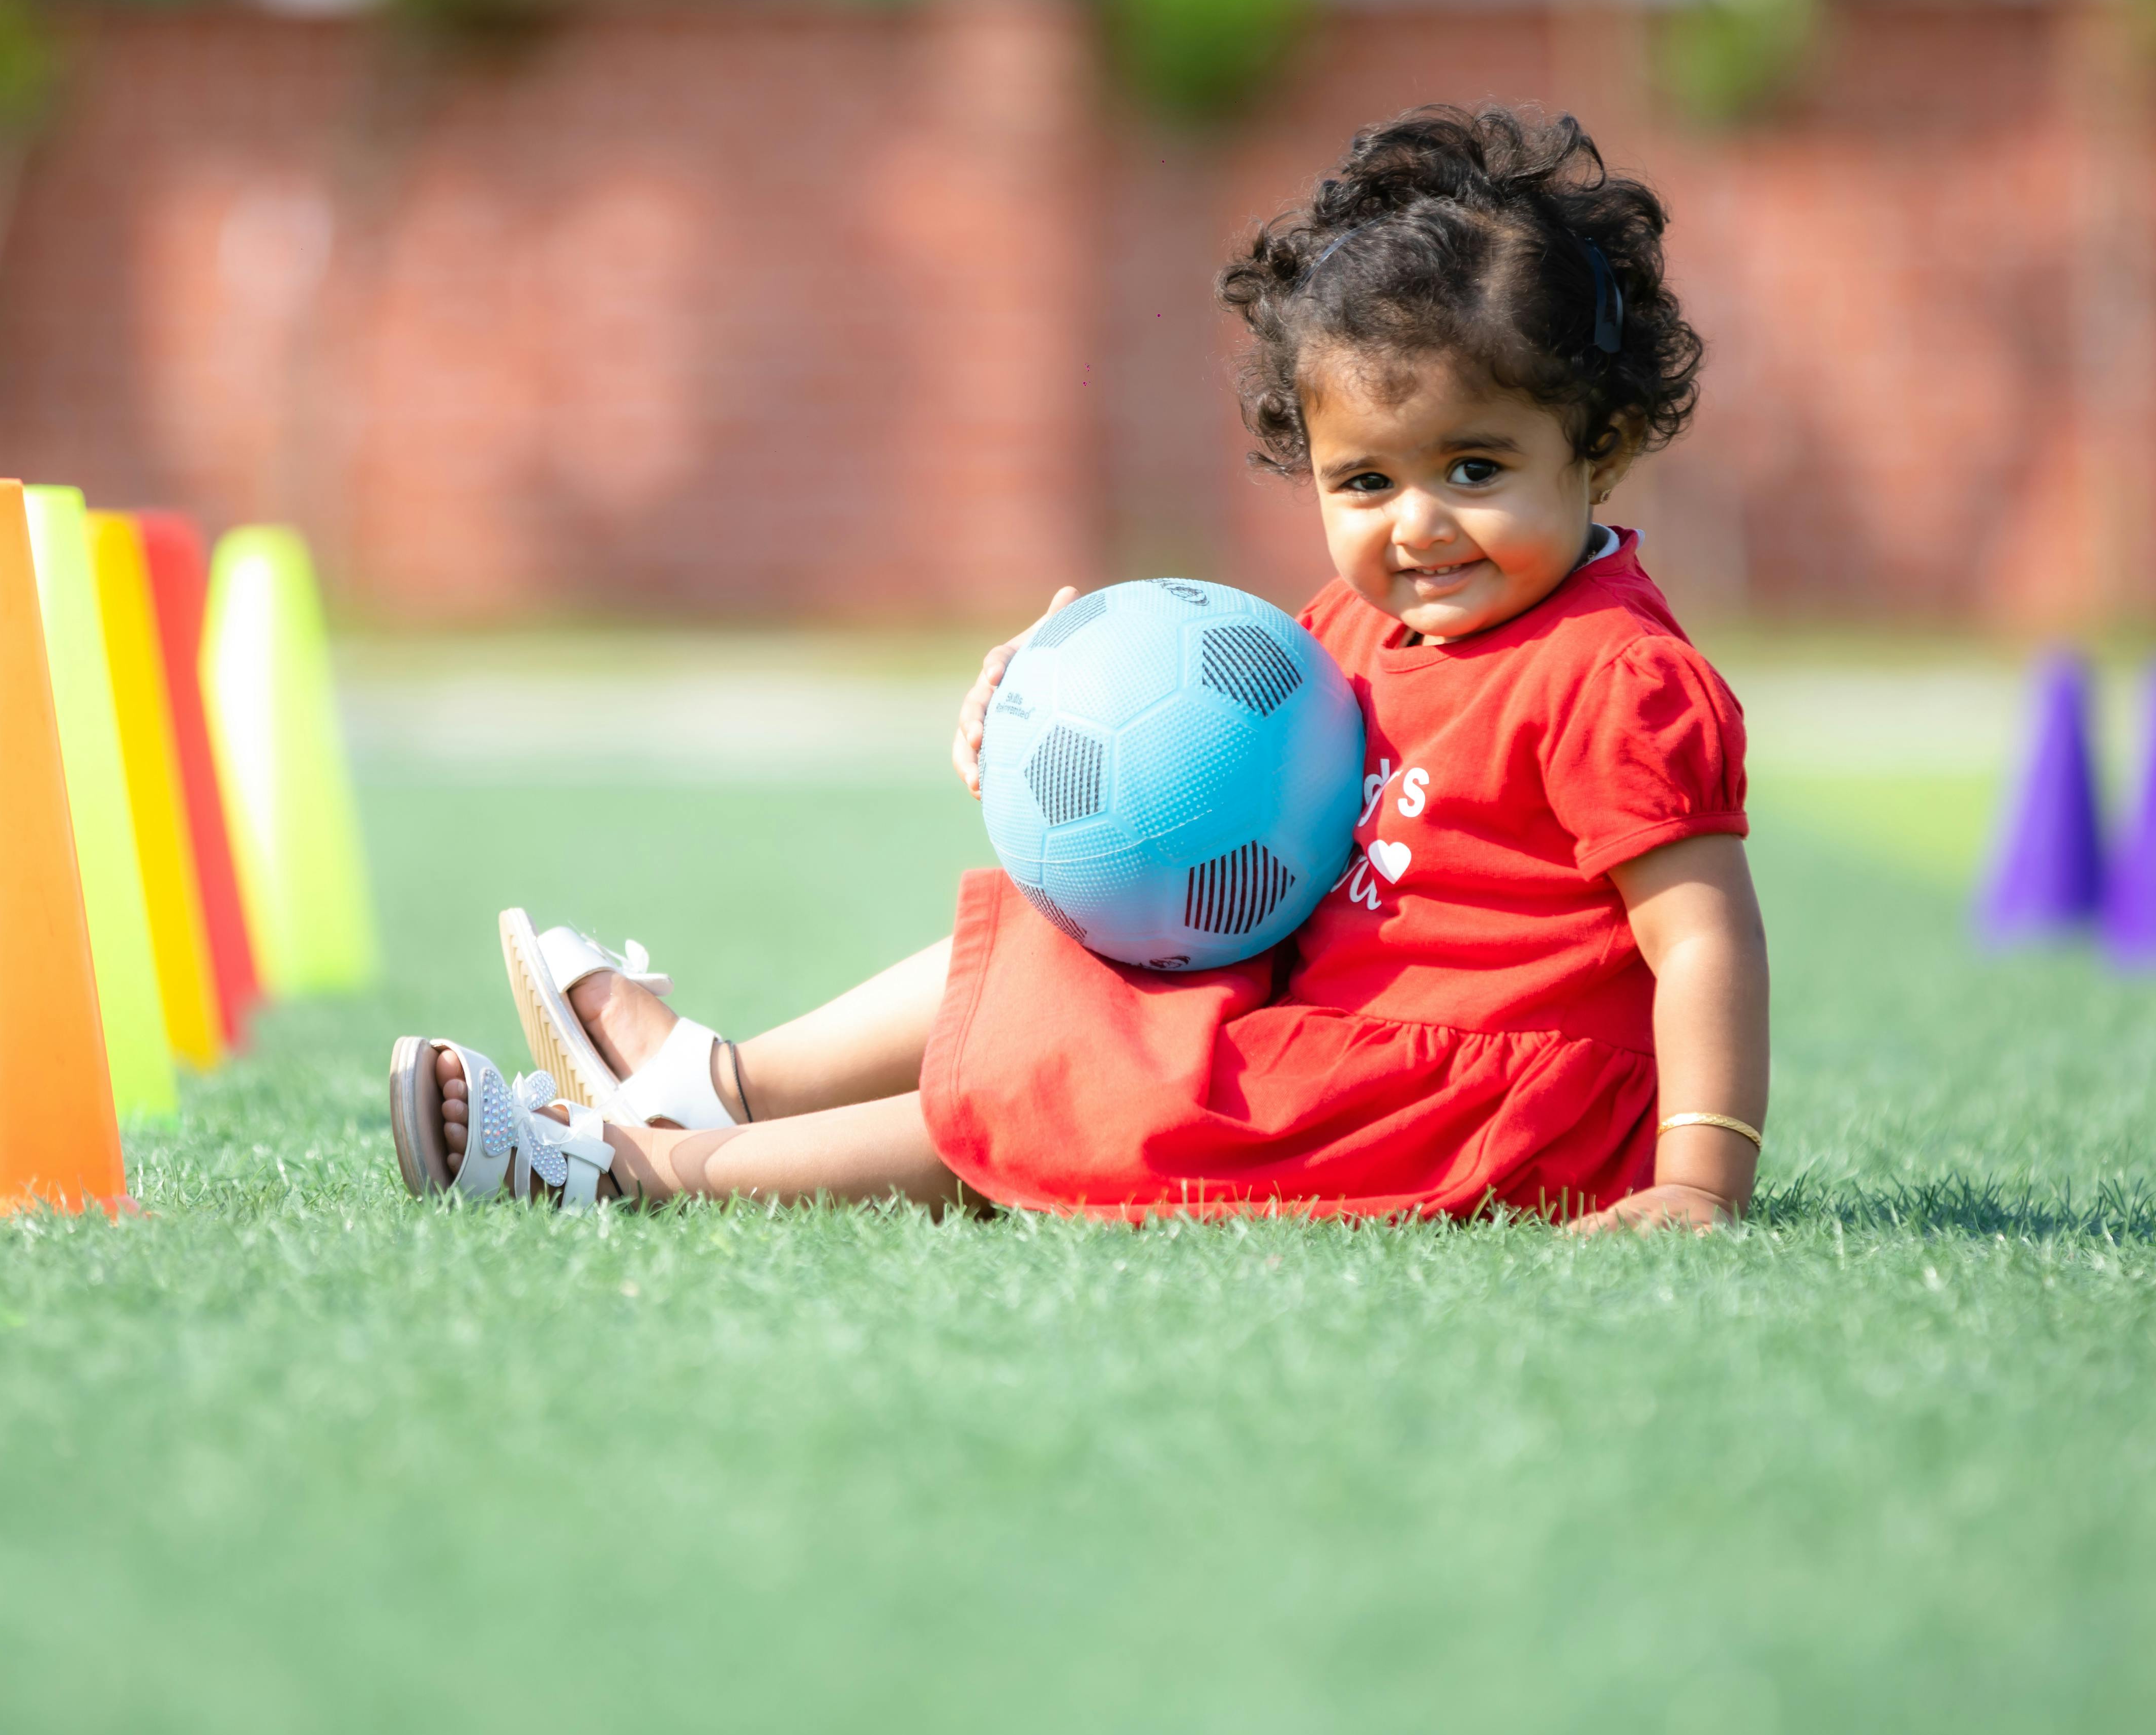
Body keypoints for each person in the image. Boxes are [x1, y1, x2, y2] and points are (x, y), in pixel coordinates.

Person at [388, 104, 1768, 1232]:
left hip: (1463, 1107)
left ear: (1599, 444)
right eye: (1365, 480)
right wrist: (1045, 719)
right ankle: (713, 1084)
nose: (1417, 524)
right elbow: (1203, 799)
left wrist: (1698, 1182)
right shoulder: (1359, 633)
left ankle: (631, 1172)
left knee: (1071, 1082)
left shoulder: (1612, 677)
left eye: (1475, 470)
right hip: (1307, 1021)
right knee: (1064, 939)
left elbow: (1701, 938)